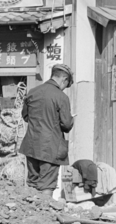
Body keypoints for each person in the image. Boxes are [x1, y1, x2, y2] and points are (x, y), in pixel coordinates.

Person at [19, 64, 75, 197]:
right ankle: (44, 214)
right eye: (66, 85)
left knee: (32, 182)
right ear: (64, 79)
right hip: (51, 148)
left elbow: (25, 116)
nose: (64, 88)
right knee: (47, 184)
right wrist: (71, 119)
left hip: (31, 146)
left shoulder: (32, 92)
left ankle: (30, 213)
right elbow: (66, 125)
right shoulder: (61, 97)